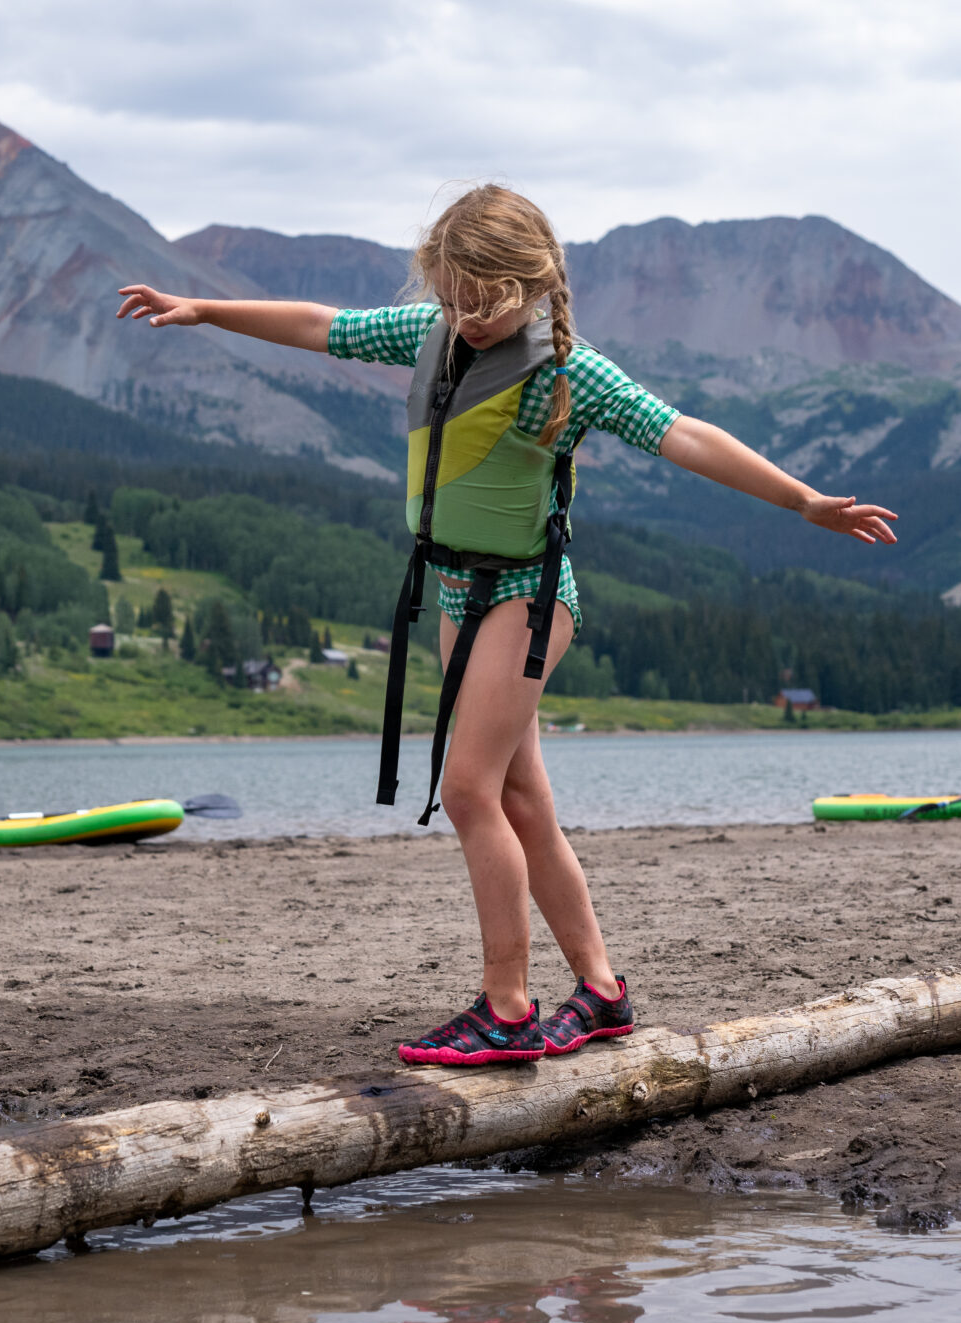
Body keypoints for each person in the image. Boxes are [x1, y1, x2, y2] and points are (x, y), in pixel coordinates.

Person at [116, 185, 895, 1066]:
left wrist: (801, 501)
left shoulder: (569, 370)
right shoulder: (430, 337)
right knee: (523, 801)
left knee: (468, 791)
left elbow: (686, 436)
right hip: (456, 593)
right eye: (453, 300)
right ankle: (601, 992)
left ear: (536, 287)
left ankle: (507, 1007)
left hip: (527, 600)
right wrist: (204, 310)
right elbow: (318, 324)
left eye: (487, 304)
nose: (469, 319)